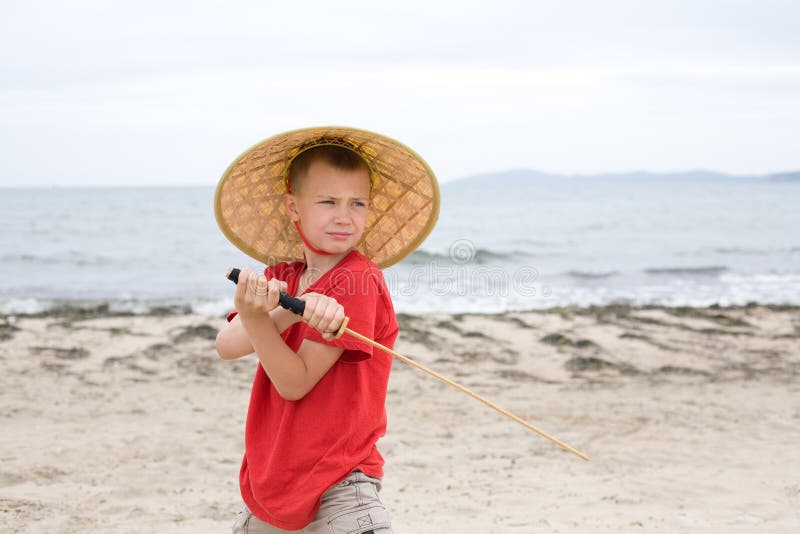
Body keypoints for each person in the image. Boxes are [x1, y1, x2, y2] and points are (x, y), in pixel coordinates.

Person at [213, 127, 440, 533]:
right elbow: (227, 347)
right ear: (293, 206)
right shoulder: (284, 274)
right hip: (274, 474)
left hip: (339, 479)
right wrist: (274, 313)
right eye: (328, 202)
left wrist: (264, 317)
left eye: (357, 203)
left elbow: (294, 383)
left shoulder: (357, 280)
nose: (344, 215)